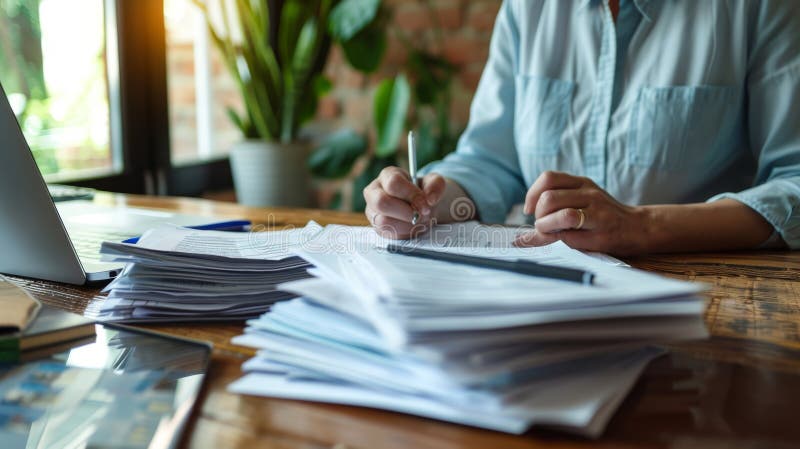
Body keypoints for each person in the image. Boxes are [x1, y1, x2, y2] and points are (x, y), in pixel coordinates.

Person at [362, 0, 800, 255]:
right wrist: (424, 204)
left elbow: (794, 182)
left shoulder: (758, 9)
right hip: (544, 294)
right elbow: (490, 160)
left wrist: (641, 226)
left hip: (707, 295)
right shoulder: (527, 8)